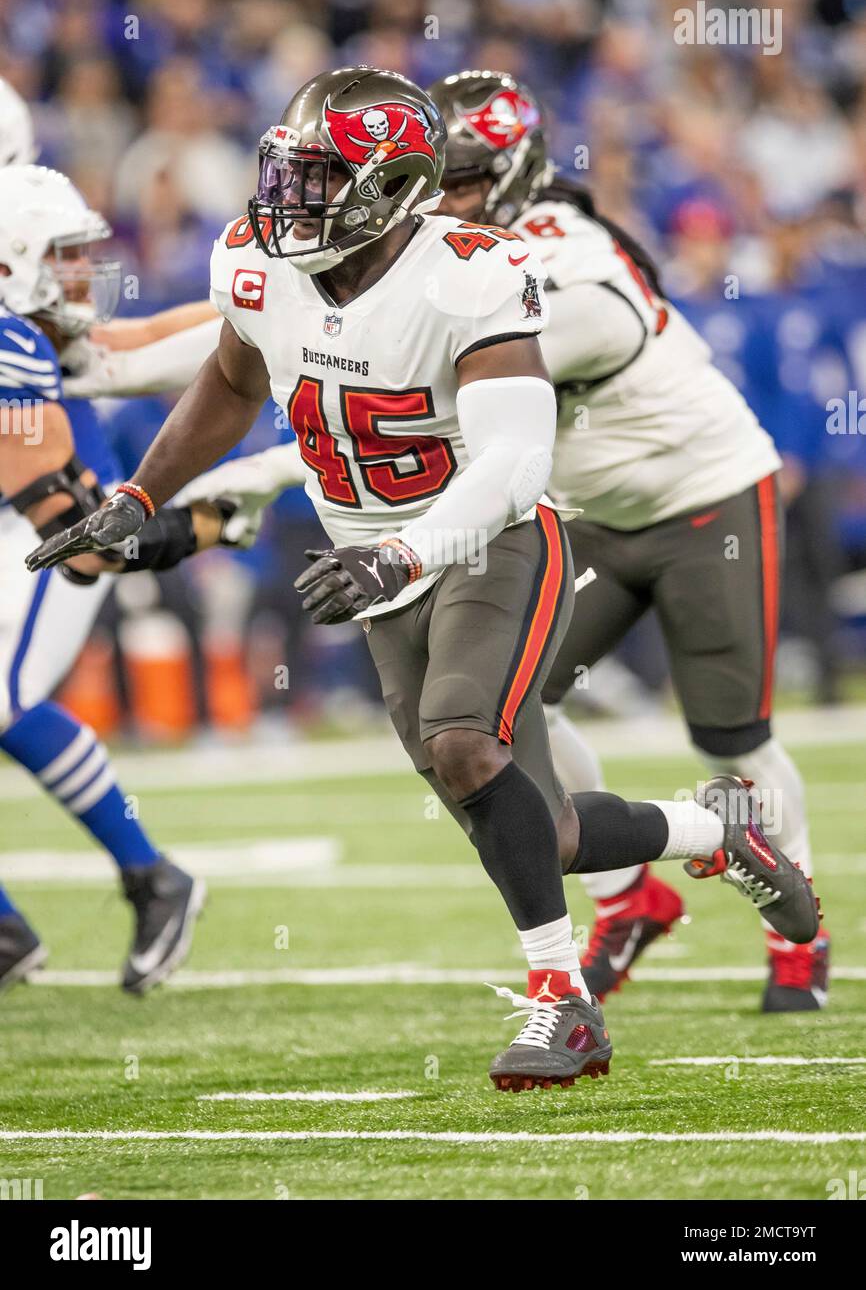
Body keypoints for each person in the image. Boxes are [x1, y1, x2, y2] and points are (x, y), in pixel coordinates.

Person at [28, 68, 820, 1089]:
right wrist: (142, 497)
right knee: (540, 819)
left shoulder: (477, 274)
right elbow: (229, 381)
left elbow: (509, 463)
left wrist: (398, 553)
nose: (288, 201)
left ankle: (560, 1003)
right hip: (373, 554)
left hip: (488, 540)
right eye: (288, 173)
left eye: (318, 181)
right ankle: (721, 831)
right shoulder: (259, 264)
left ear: (388, 189)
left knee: (461, 741)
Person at [428, 69, 829, 1013]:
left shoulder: (563, 242)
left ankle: (794, 937)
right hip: (591, 513)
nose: (441, 199)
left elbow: (552, 337)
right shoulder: (446, 254)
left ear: (513, 168)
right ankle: (628, 898)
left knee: (732, 737)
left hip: (704, 496)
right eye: (427, 180)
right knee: (516, 703)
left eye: (460, 178)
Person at [0, 156, 244, 994]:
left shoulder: (26, 346)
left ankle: (151, 877)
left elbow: (79, 536)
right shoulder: (22, 344)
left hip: (34, 534)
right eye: (64, 253)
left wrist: (196, 527)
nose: (83, 270)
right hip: (48, 522)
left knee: (2, 697)